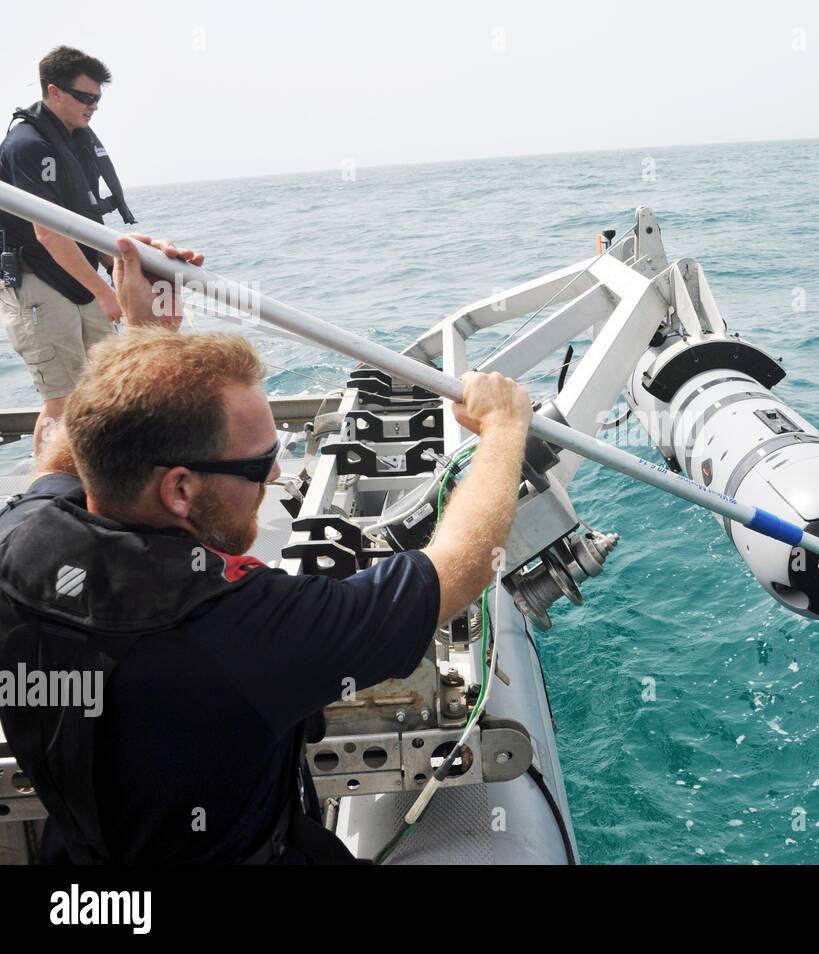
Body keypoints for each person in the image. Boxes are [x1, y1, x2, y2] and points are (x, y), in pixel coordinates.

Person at [0, 235, 534, 863]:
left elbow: (74, 450)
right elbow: (455, 572)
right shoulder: (239, 628)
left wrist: (145, 334)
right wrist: (504, 430)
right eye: (259, 464)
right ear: (179, 489)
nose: (276, 478)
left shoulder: (24, 541)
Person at [0, 46, 137, 457]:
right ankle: (46, 492)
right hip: (37, 283)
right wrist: (105, 293)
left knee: (101, 391)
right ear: (54, 91)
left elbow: (86, 219)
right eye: (85, 97)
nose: (93, 107)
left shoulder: (76, 139)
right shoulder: (26, 144)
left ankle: (97, 481)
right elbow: (49, 234)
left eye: (97, 98)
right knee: (62, 401)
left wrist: (120, 272)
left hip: (78, 279)